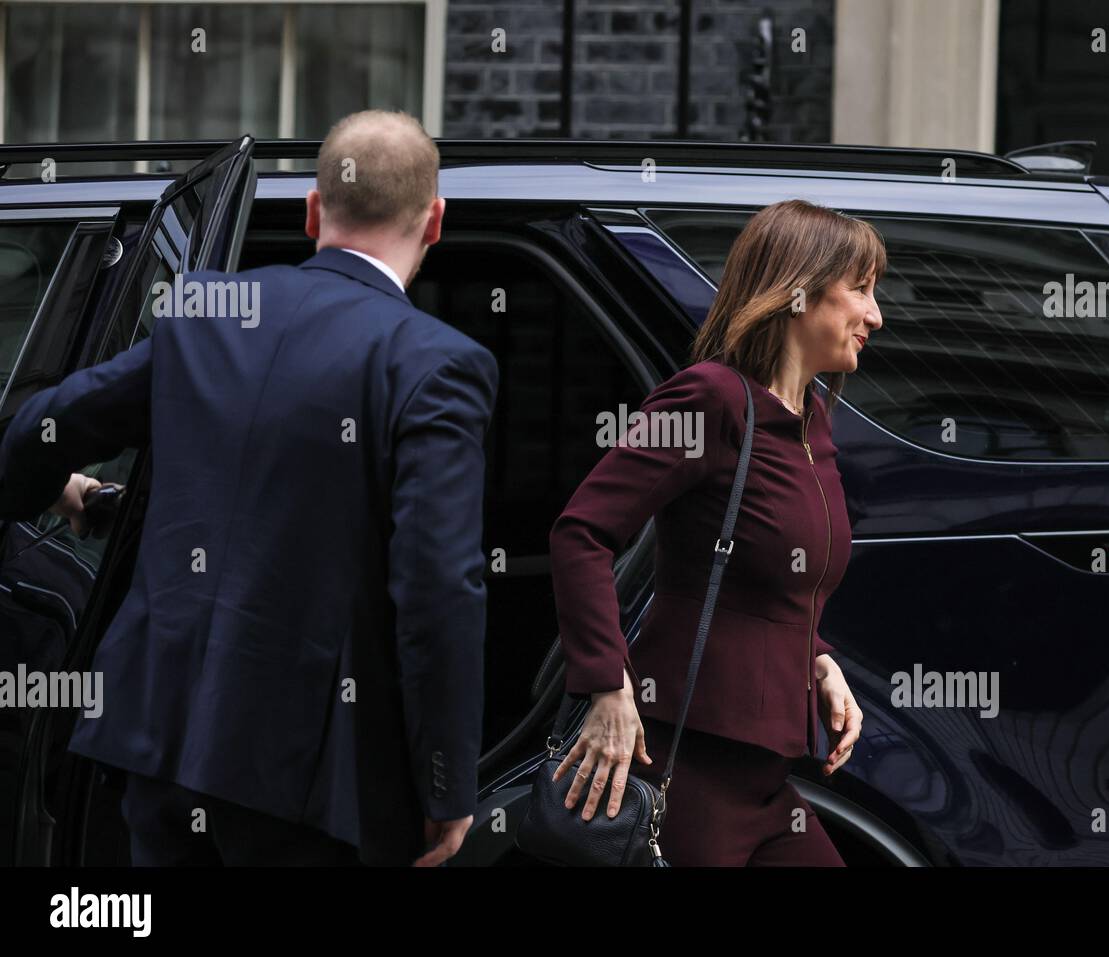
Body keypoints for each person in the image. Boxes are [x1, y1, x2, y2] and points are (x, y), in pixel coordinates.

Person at [0, 110, 498, 866]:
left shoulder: (207, 313)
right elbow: (435, 586)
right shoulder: (436, 362)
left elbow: (44, 426)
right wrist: (446, 785)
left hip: (157, 741)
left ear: (309, 210)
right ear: (434, 221)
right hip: (304, 781)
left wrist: (57, 495)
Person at [548, 198, 882, 866]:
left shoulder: (813, 418)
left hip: (765, 772)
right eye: (862, 290)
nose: (876, 315)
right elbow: (580, 531)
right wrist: (607, 684)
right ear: (797, 291)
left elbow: (770, 576)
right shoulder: (710, 399)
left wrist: (818, 657)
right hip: (687, 761)